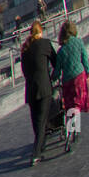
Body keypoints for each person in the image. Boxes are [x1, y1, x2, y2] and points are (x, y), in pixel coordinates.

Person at [19, 22, 57, 166]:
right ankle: (36, 154)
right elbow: (55, 61)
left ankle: (41, 146)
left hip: (31, 90)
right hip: (44, 88)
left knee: (37, 122)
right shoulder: (45, 44)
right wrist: (51, 76)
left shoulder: (25, 49)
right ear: (40, 32)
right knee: (41, 122)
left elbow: (24, 71)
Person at [53, 20, 89, 141]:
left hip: (67, 80)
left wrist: (53, 78)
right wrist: (87, 71)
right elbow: (84, 58)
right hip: (79, 76)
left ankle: (71, 129)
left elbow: (57, 70)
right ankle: (75, 130)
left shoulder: (61, 50)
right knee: (77, 103)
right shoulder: (79, 42)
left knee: (69, 105)